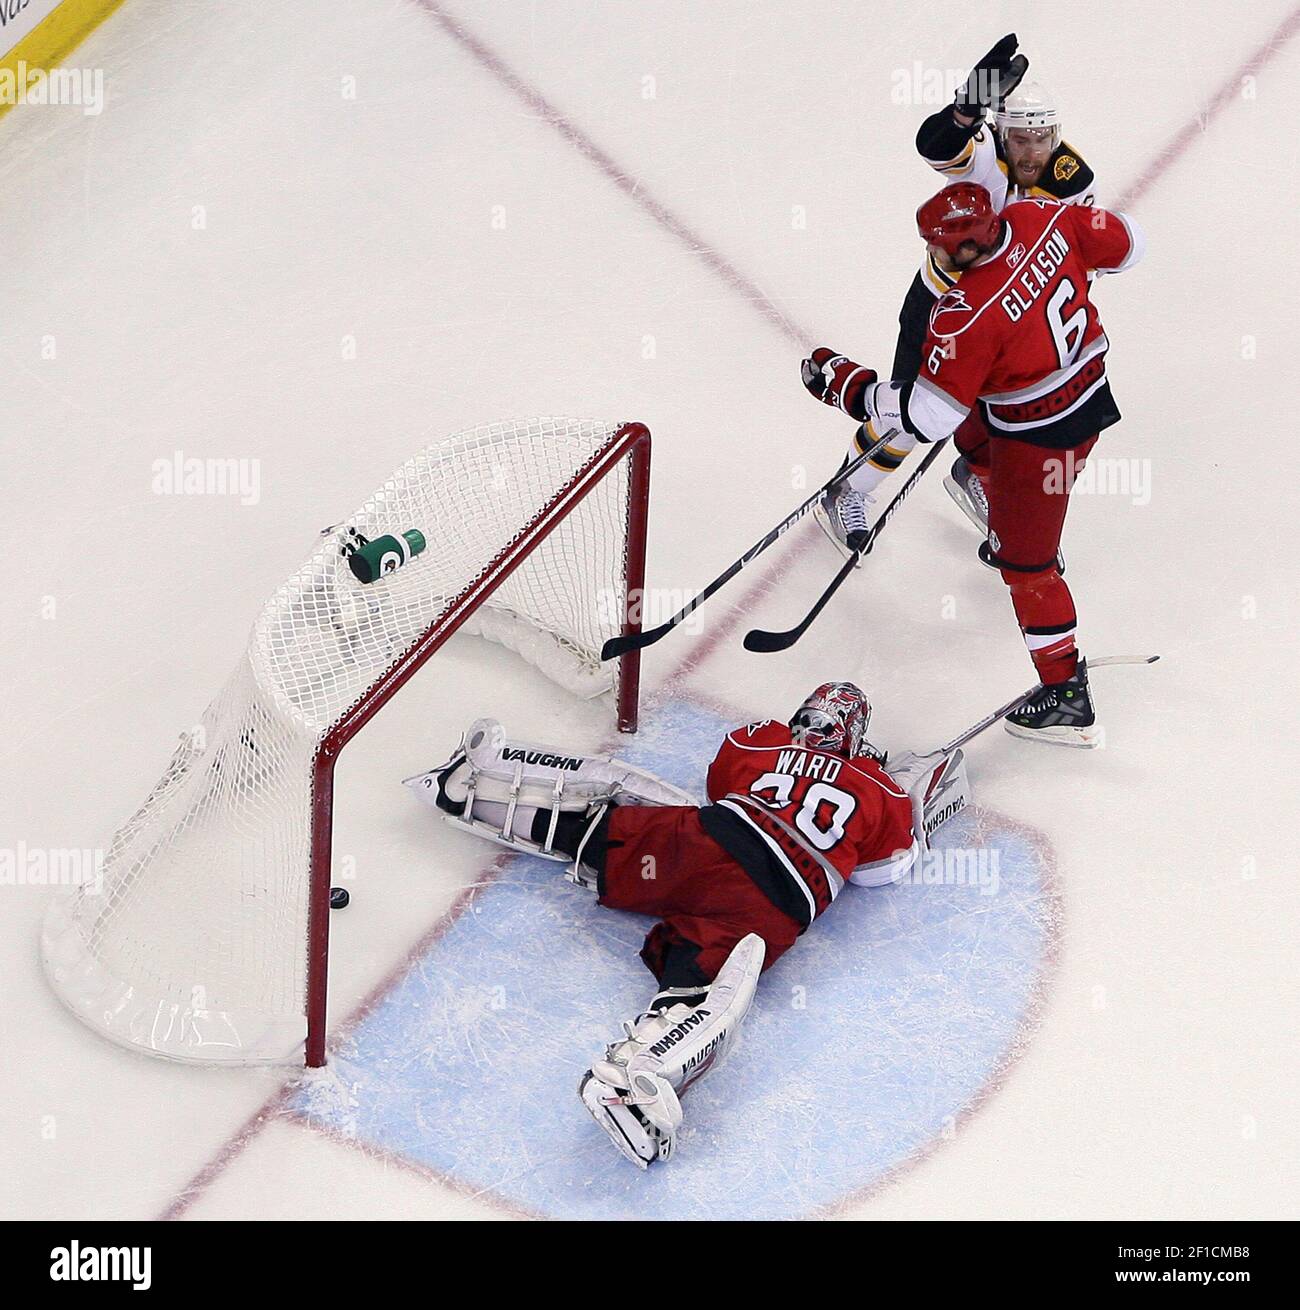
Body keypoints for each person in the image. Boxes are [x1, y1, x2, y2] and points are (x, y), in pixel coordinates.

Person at [404, 682, 968, 1168]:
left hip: (703, 846)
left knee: (605, 832)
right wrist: (901, 789)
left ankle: (470, 794)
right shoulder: (884, 791)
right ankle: (638, 1075)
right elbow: (881, 871)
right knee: (697, 987)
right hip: (770, 903)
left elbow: (718, 787)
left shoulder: (761, 738)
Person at [802, 182, 1144, 745]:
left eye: (937, 246)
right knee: (981, 412)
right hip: (1090, 400)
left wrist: (847, 386)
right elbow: (1131, 245)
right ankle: (982, 477)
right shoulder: (1041, 214)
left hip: (1039, 442)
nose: (931, 254)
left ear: (964, 248)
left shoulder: (962, 315)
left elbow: (926, 418)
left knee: (1028, 568)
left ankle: (1065, 696)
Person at [819, 33, 1100, 556]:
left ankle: (972, 475)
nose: (1032, 151)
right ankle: (848, 489)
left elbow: (1083, 255)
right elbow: (934, 145)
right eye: (1021, 138)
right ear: (1002, 132)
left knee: (1010, 413)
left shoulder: (1073, 179)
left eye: (1042, 139)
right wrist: (965, 112)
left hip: (1014, 319)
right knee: (912, 412)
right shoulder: (986, 156)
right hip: (943, 309)